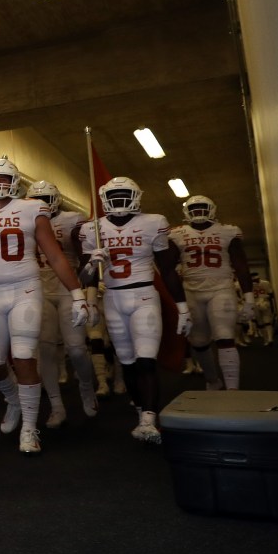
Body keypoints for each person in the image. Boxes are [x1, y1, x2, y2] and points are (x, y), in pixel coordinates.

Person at [0, 158, 91, 455]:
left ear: (15, 181)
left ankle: (30, 427)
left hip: (25, 288)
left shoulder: (31, 208)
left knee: (24, 355)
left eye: (2, 177)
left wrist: (77, 293)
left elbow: (54, 256)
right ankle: (14, 399)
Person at [77, 177, 190, 444]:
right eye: (114, 195)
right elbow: (84, 277)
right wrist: (92, 266)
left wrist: (182, 307)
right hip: (113, 299)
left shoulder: (153, 222)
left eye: (124, 195)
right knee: (126, 361)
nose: (119, 201)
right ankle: (142, 412)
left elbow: (167, 269)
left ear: (136, 196)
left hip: (143, 295)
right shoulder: (92, 228)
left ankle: (149, 419)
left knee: (146, 359)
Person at [27, 181, 100, 426]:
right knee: (46, 349)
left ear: (57, 199)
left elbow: (83, 257)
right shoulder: (25, 218)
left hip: (68, 288)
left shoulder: (72, 220)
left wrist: (90, 296)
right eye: (38, 199)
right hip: (39, 289)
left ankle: (87, 386)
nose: (43, 204)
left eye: (48, 198)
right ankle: (57, 406)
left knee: (77, 348)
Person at [168, 195, 254, 389]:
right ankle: (212, 380)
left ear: (212, 209)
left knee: (224, 335)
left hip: (221, 288)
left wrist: (249, 299)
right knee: (198, 341)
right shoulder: (177, 234)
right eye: (194, 209)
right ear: (186, 212)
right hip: (191, 290)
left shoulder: (227, 231)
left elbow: (241, 265)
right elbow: (167, 268)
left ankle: (233, 389)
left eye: (202, 208)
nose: (198, 213)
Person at [253, 273, 277, 345]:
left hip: (263, 303)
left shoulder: (265, 283)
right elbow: (271, 294)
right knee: (261, 323)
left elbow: (270, 294)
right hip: (257, 304)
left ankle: (269, 339)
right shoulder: (264, 283)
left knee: (267, 321)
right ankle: (266, 339)